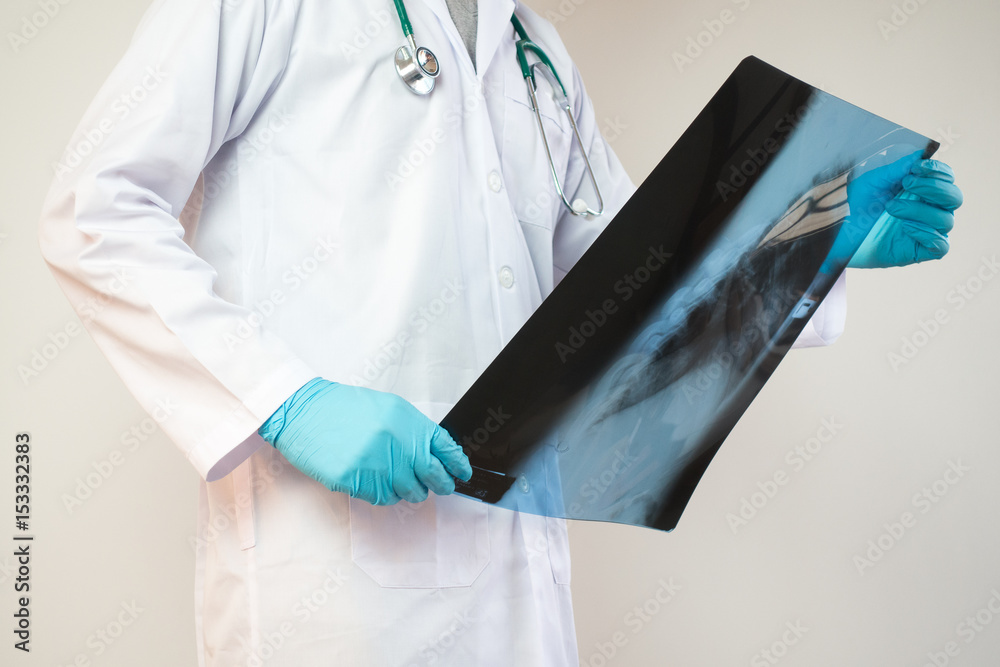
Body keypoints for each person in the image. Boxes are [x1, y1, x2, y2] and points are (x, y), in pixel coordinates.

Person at [38, 0, 961, 664]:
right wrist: (286, 399)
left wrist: (807, 239)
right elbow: (96, 211)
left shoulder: (535, 51)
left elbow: (629, 289)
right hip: (332, 594)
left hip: (517, 583)